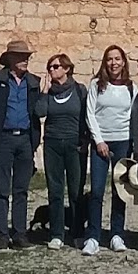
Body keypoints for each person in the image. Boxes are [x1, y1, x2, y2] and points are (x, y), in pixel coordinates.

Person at [0, 38, 41, 250]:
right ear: (11, 59)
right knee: (2, 190)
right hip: (3, 139)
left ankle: (20, 234)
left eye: (27, 57)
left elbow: (37, 110)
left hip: (24, 139)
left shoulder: (33, 82)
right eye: (21, 57)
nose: (25, 61)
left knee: (21, 190)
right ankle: (2, 235)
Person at [84, 44, 137, 255]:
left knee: (119, 191)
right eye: (109, 59)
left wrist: (134, 145)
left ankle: (117, 234)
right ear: (104, 63)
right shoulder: (96, 85)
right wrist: (98, 140)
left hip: (122, 142)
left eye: (117, 59)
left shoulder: (132, 88)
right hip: (101, 144)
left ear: (123, 62)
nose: (113, 63)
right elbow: (90, 114)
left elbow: (133, 117)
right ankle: (93, 236)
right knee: (97, 190)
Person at [35, 52, 89, 249]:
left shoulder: (79, 90)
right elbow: (40, 112)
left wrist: (85, 140)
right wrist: (44, 91)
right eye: (50, 67)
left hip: (74, 144)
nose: (51, 70)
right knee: (55, 190)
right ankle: (56, 233)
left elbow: (86, 116)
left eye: (56, 66)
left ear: (66, 68)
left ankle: (76, 232)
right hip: (52, 144)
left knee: (76, 190)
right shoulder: (49, 93)